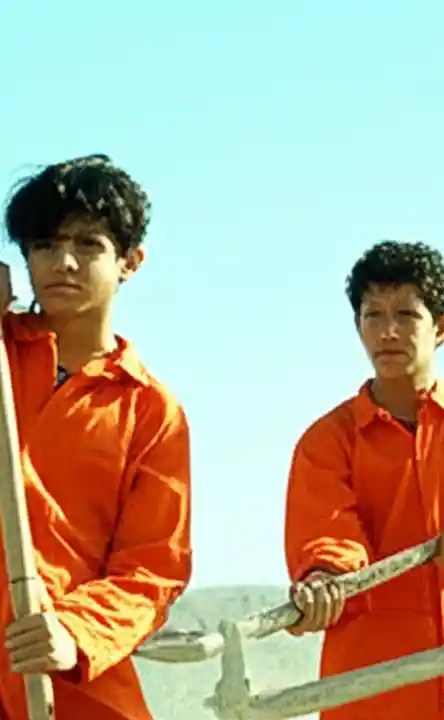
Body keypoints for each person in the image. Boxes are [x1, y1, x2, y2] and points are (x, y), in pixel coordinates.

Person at [0, 154, 192, 719]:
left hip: (67, 675)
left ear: (130, 261)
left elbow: (153, 568)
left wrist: (74, 634)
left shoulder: (150, 411)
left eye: (88, 245)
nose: (63, 262)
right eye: (43, 245)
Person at [282, 240, 444, 720]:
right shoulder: (326, 442)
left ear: (442, 327)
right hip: (373, 689)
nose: (388, 331)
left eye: (406, 314)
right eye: (373, 314)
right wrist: (325, 581)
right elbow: (327, 537)